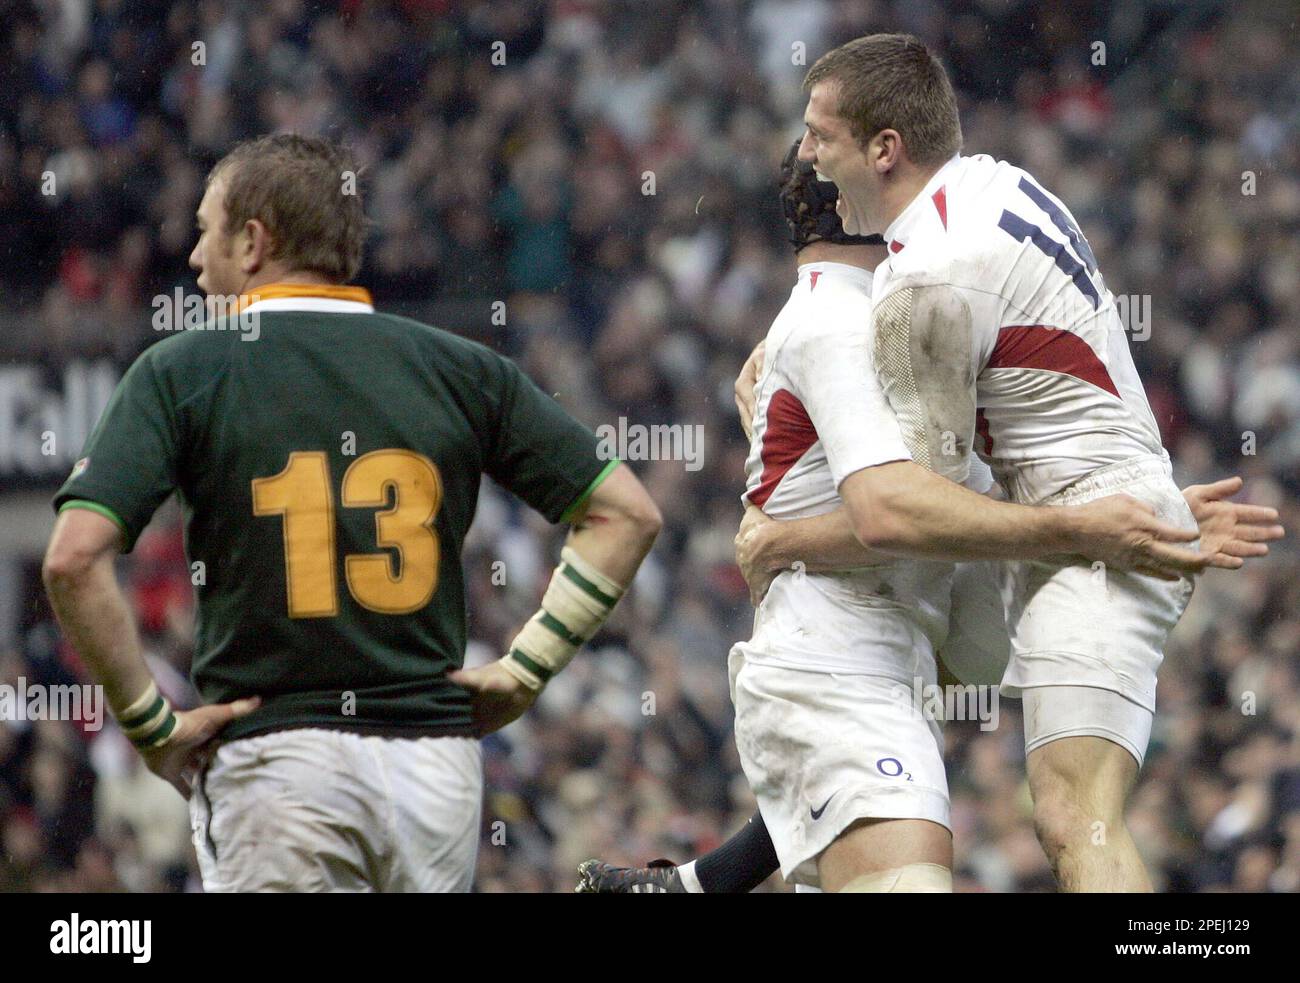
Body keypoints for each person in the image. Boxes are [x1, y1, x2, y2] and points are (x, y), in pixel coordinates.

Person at [577, 141, 1282, 895]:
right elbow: (895, 513)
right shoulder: (844, 327)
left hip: (884, 664)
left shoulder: (865, 318)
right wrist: (1095, 526)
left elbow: (953, 501)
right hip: (838, 670)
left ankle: (698, 883)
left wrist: (1151, 516)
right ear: (858, 199)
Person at [42, 133, 661, 893]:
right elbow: (625, 513)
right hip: (435, 771)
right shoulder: (462, 366)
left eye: (206, 230)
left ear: (254, 239)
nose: (195, 257)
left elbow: (72, 559)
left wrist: (150, 728)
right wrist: (526, 672)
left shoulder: (181, 370)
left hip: (278, 766)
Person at [794, 32, 1284, 890]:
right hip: (1103, 513)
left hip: (1097, 536)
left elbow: (913, 511)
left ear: (884, 149)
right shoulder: (998, 182)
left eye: (818, 136)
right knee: (866, 677)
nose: (805, 155)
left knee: (1074, 812)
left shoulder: (927, 283)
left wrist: (779, 535)